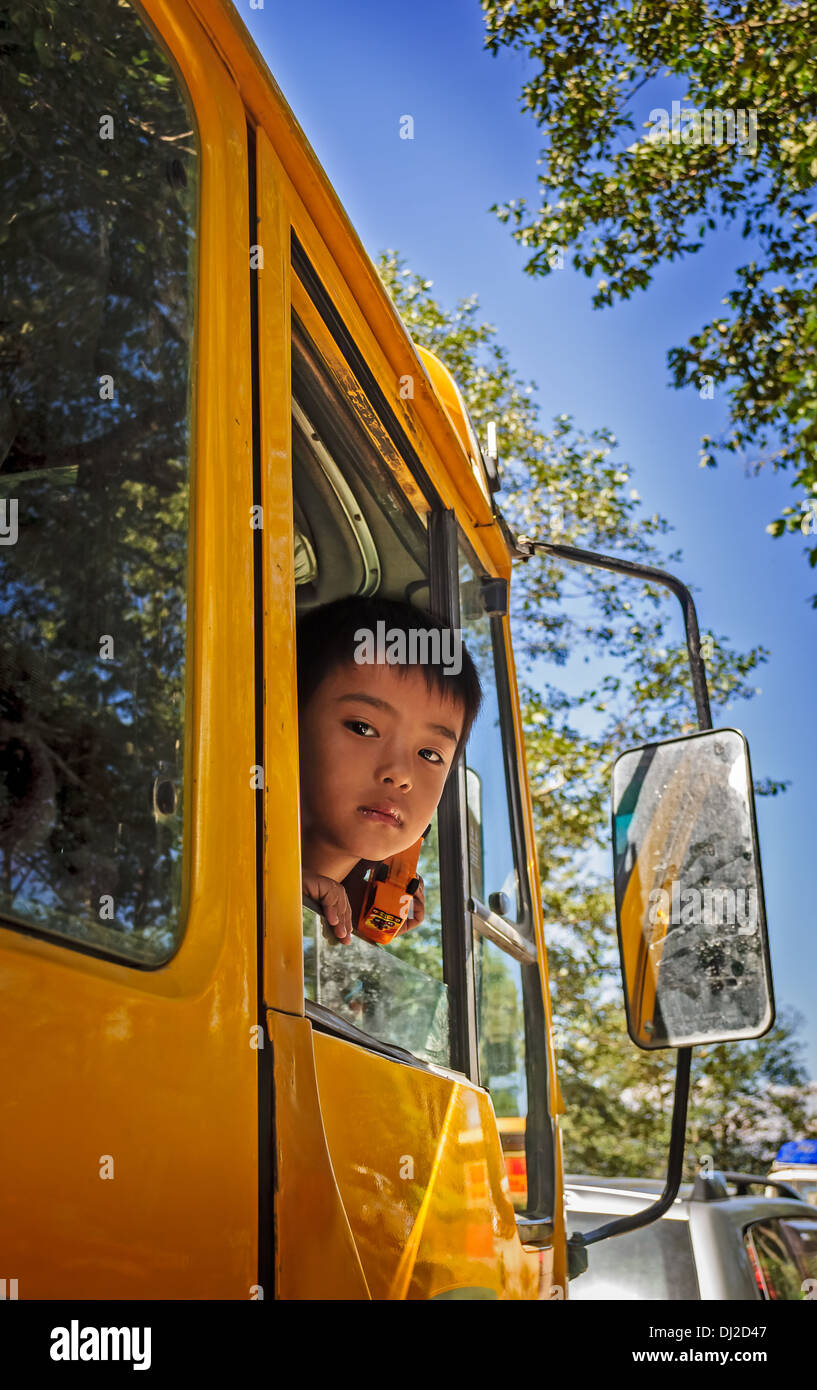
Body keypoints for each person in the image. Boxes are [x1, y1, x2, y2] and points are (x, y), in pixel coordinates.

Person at [297, 595, 482, 943]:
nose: (400, 773)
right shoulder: (199, 872)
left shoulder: (334, 932)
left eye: (429, 754)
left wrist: (355, 947)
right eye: (363, 728)